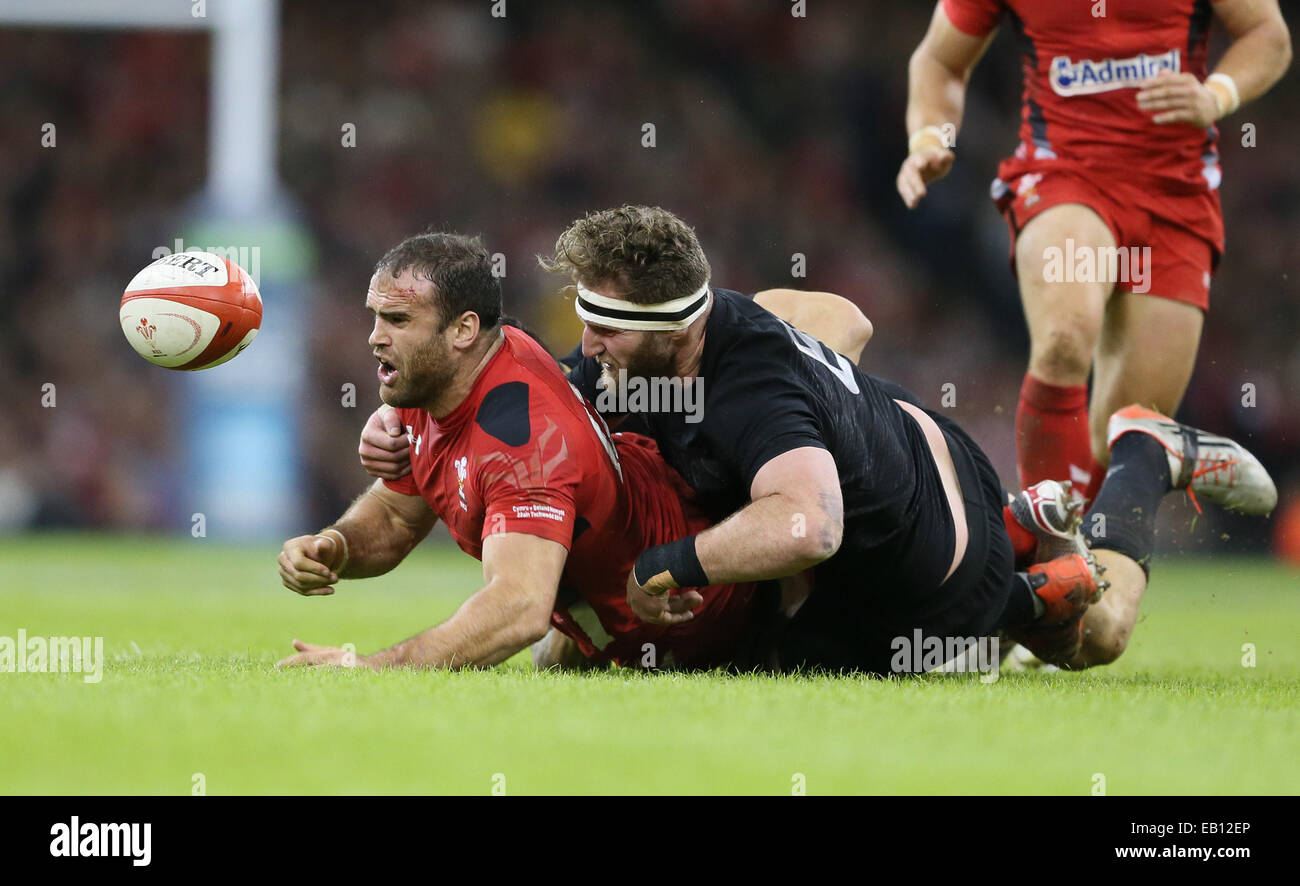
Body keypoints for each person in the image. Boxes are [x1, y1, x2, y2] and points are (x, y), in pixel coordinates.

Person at [359, 206, 1276, 670]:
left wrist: (671, 562)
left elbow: (809, 529)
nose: (586, 345)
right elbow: (843, 318)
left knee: (1095, 638)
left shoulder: (749, 390)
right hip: (917, 453)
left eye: (603, 323)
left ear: (677, 323)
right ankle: (1034, 543)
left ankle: (1142, 462)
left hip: (930, 568)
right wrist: (402, 423)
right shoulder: (696, 335)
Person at [276, 231, 873, 672]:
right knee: (560, 653)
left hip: (706, 615)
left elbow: (517, 607)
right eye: (375, 316)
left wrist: (369, 669)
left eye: (396, 319)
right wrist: (336, 545)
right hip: (616, 588)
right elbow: (397, 516)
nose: (376, 336)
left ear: (462, 330)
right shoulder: (436, 376)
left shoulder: (523, 441)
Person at [897, 0, 1291, 501]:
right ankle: (1048, 545)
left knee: (1131, 433)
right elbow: (939, 60)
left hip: (1174, 197)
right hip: (1064, 176)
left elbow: (1268, 35)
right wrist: (931, 135)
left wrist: (1216, 94)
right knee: (1065, 337)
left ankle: (1091, 552)